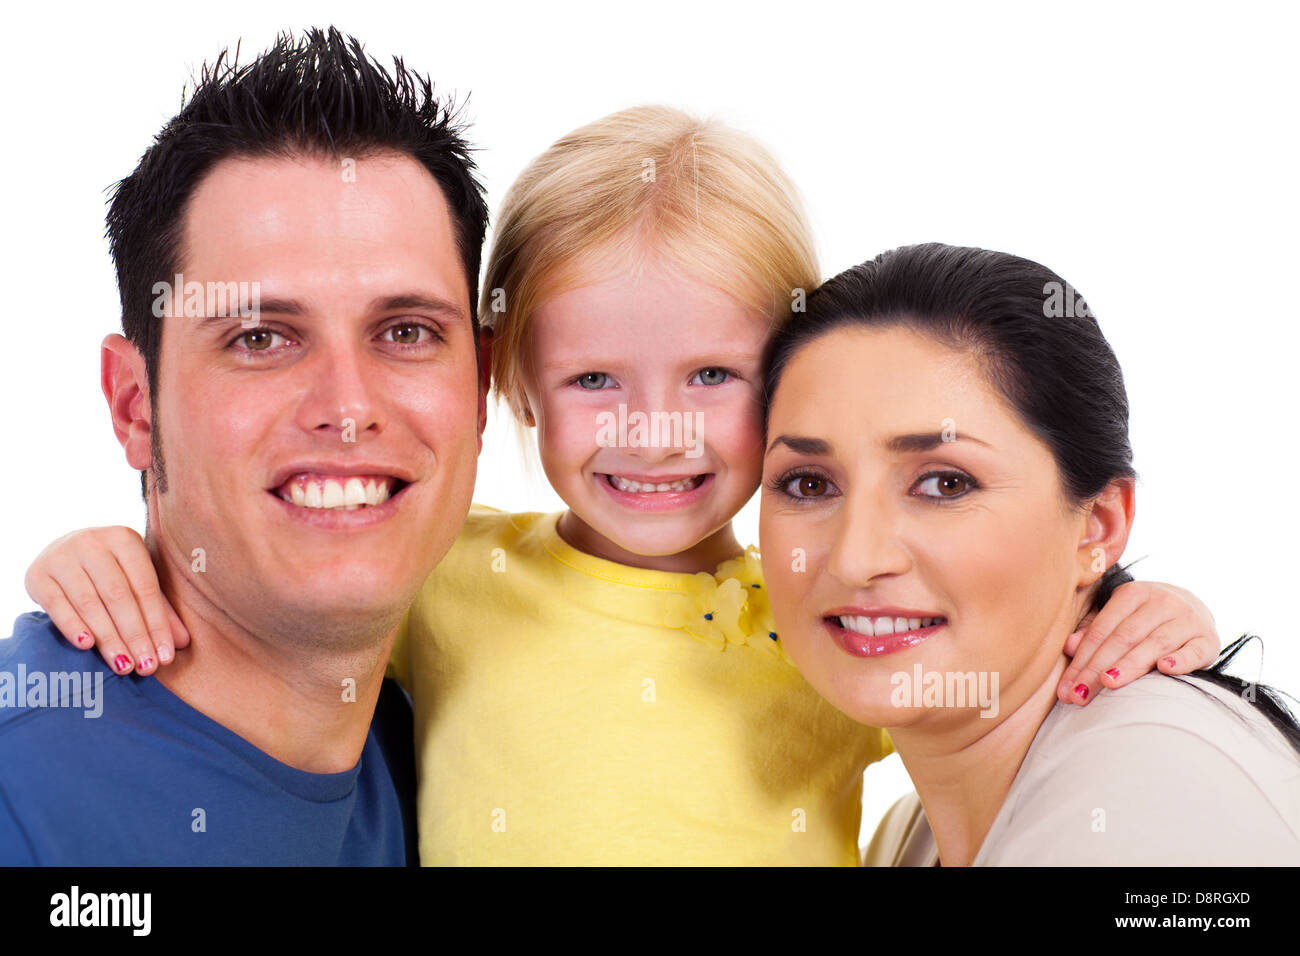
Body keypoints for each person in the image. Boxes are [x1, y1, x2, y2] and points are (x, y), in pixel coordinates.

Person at [23, 112, 1223, 866]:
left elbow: (996, 674)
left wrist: (1134, 605)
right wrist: (105, 550)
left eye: (713, 373)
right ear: (517, 388)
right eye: (595, 375)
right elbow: (284, 581)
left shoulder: (821, 622)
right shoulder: (451, 579)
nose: (656, 430)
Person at [0, 27, 489, 864]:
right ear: (133, 407)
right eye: (261, 338)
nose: (348, 408)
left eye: (405, 330)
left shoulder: (462, 760)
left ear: (480, 394)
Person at [758, 242, 1300, 865]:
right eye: (809, 484)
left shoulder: (1156, 786)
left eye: (945, 483)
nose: (855, 559)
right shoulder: (909, 835)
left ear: (1097, 527)